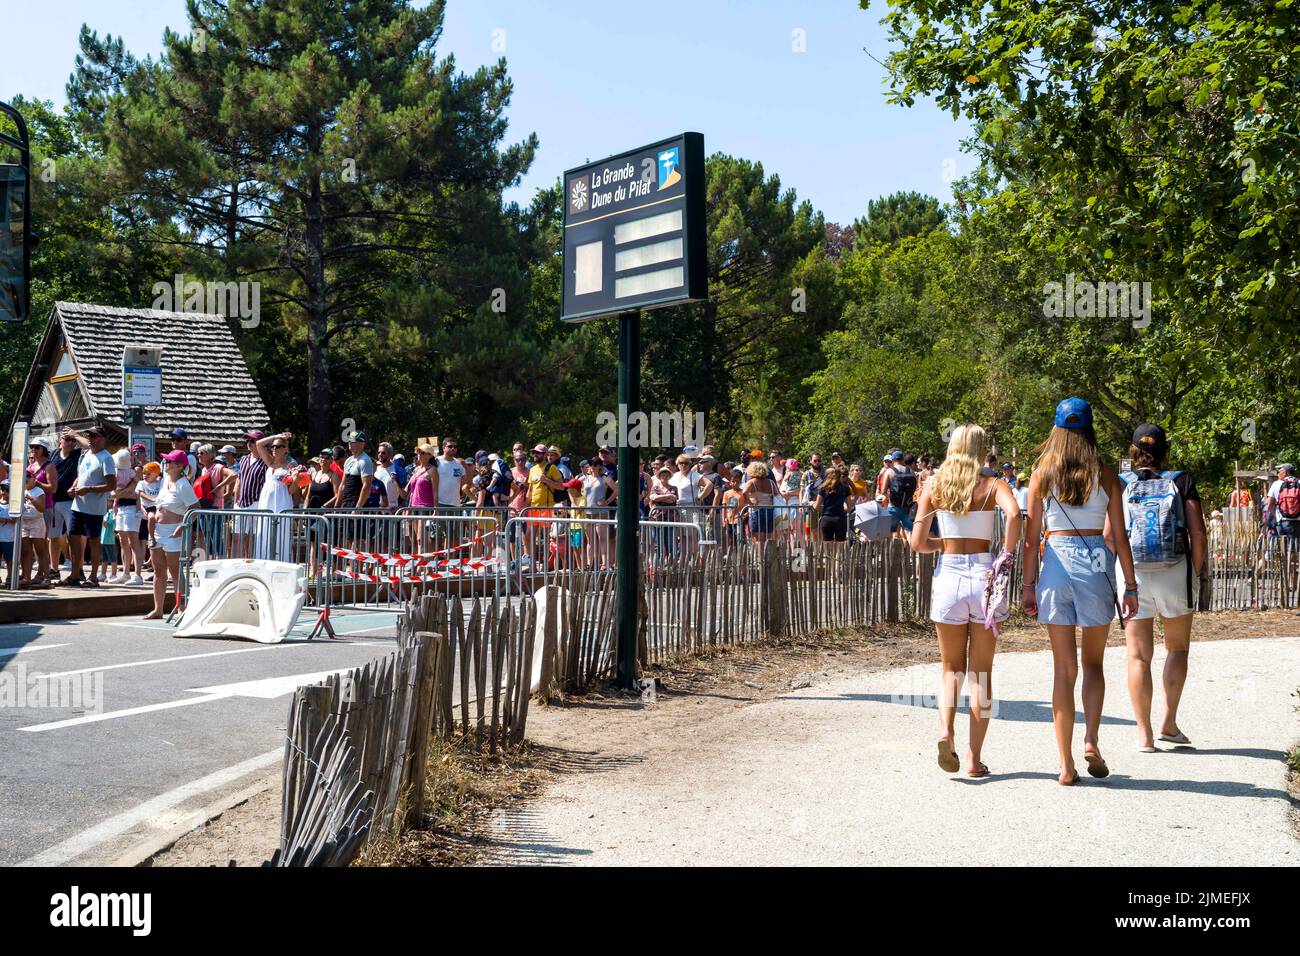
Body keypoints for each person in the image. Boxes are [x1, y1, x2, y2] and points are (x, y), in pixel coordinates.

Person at [1021, 397, 1139, 786]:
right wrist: (1132, 585)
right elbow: (1119, 537)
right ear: (1090, 431)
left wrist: (1027, 586)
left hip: (1055, 563)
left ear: (1056, 430)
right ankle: (1091, 739)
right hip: (1095, 568)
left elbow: (1030, 538)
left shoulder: (1042, 474)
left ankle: (1065, 765)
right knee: (1092, 664)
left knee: (1062, 670)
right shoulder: (1107, 476)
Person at [910, 423, 1022, 777]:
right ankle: (974, 759)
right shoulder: (992, 485)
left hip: (950, 576)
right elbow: (1016, 514)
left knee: (950, 669)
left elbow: (917, 542)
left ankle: (946, 729)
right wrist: (1006, 553)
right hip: (985, 577)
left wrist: (944, 545)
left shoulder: (934, 485)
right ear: (981, 448)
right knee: (982, 675)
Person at [1119, 424, 1207, 752]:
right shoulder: (1181, 480)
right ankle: (1168, 724)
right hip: (1175, 571)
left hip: (1134, 575)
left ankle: (1144, 735)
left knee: (1138, 655)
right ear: (1165, 452)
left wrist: (1122, 576)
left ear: (1132, 451)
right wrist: (1193, 572)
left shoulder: (1121, 483)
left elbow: (1111, 535)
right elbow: (1198, 534)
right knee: (1178, 648)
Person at [145, 449, 198, 619]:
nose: (166, 463)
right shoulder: (165, 479)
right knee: (159, 571)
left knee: (175, 572)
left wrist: (183, 525)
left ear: (179, 466)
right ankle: (158, 609)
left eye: (169, 461)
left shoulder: (184, 484)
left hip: (174, 532)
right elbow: (159, 504)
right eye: (166, 461)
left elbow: (195, 509)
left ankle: (181, 608)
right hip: (157, 531)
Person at [64, 426, 117, 589]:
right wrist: (73, 488)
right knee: (73, 538)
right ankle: (75, 574)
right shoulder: (87, 453)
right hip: (78, 505)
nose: (92, 439)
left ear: (103, 439)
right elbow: (81, 476)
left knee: (94, 541)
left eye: (95, 436)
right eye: (90, 436)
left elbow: (111, 485)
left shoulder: (106, 458)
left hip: (94, 508)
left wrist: (89, 489)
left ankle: (94, 577)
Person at [253, 432, 302, 561]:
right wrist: (277, 436)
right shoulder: (270, 462)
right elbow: (259, 444)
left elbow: (291, 491)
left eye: (278, 446)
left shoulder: (290, 466)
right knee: (264, 530)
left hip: (281, 501)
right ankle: (264, 559)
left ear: (286, 449)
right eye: (273, 447)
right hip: (266, 502)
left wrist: (296, 480)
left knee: (281, 532)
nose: (274, 449)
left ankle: (282, 561)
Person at [47, 430, 83, 582]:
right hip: (54, 500)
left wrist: (76, 435)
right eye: (67, 439)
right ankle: (54, 569)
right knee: (53, 537)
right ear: (60, 440)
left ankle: (78, 569)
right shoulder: (54, 454)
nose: (71, 442)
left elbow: (88, 445)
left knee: (73, 537)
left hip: (70, 502)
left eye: (72, 440)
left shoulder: (78, 454)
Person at [108, 448, 145, 585]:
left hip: (131, 508)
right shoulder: (120, 471)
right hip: (121, 508)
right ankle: (126, 573)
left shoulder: (135, 471)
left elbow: (135, 492)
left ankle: (138, 575)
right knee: (123, 542)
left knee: (133, 542)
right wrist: (119, 495)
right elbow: (114, 493)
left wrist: (119, 493)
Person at [232, 429, 269, 557]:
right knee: (237, 536)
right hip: (241, 502)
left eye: (252, 440)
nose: (249, 443)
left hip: (257, 502)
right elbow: (239, 478)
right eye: (248, 440)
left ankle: (252, 561)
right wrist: (236, 497)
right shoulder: (243, 459)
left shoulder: (266, 461)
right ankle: (238, 562)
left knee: (254, 536)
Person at [25, 438, 56, 586]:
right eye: (32, 447)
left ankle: (45, 576)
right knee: (30, 545)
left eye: (37, 447)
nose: (34, 449)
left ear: (44, 449)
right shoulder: (31, 466)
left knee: (42, 545)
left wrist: (35, 482)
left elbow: (52, 489)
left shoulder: (49, 466)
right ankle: (36, 575)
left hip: (45, 507)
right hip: (29, 509)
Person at [811, 466, 854, 555]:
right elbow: (850, 507)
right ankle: (837, 568)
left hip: (826, 519)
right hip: (840, 519)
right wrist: (843, 508)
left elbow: (816, 507)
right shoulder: (845, 488)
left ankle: (830, 568)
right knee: (839, 550)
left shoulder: (823, 488)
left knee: (828, 551)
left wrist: (812, 503)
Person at [737, 460, 778, 552]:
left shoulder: (752, 482)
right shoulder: (770, 482)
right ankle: (768, 561)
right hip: (770, 511)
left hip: (757, 511)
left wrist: (750, 503)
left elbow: (744, 492)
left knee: (758, 540)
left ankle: (760, 562)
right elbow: (776, 493)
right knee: (768, 538)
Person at [886, 451, 917, 538]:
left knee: (891, 531)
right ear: (903, 460)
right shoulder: (911, 472)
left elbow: (883, 491)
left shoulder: (890, 471)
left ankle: (889, 551)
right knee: (909, 532)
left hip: (893, 506)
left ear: (893, 460)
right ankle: (911, 551)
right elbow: (916, 488)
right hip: (907, 507)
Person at [1265, 463, 1299, 540]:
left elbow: (1269, 503)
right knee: (1295, 546)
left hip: (1281, 520)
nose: (1278, 474)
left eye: (1279, 472)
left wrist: (1276, 516)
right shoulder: (1299, 483)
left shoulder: (1276, 484)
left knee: (1282, 544)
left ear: (1285, 473)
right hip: (1297, 520)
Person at [433, 438, 469, 509]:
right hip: (440, 503)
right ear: (443, 448)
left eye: (455, 447)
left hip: (456, 504)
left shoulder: (459, 464)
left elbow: (465, 484)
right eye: (450, 446)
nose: (453, 448)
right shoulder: (436, 461)